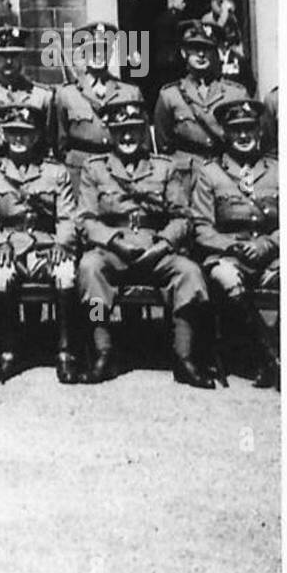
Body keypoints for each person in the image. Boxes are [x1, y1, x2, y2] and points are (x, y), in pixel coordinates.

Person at [76, 102, 214, 388]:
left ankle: (183, 356)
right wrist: (114, 242)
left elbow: (182, 216)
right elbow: (86, 218)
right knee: (89, 268)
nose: (127, 138)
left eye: (134, 131)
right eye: (120, 132)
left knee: (189, 272)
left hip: (155, 248)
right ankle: (103, 349)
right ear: (110, 135)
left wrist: (163, 245)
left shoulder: (164, 167)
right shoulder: (95, 168)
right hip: (113, 250)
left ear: (144, 133)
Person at [0, 105, 83, 384]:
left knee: (66, 273)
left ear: (36, 136)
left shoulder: (54, 171)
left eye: (25, 134)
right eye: (12, 133)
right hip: (9, 247)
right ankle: (7, 352)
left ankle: (66, 352)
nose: (18, 139)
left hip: (47, 246)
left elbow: (68, 215)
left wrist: (63, 243)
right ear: (3, 135)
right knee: (0, 277)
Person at [190, 99, 279, 388]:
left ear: (260, 132)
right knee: (225, 276)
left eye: (249, 129)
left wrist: (268, 244)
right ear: (225, 134)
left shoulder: (279, 170)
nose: (243, 136)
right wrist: (231, 247)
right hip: (230, 255)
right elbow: (201, 226)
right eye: (236, 130)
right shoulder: (210, 173)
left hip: (272, 253)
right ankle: (268, 357)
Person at [153, 19, 249, 188]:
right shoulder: (170, 95)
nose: (201, 54)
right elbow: (164, 146)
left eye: (207, 49)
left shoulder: (235, 94)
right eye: (195, 49)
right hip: (186, 179)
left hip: (224, 175)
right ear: (184, 53)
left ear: (215, 53)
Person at [54, 21, 144, 191]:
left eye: (103, 49)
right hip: (79, 173)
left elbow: (142, 139)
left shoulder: (130, 93)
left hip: (118, 169)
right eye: (92, 50)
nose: (97, 55)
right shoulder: (66, 94)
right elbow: (59, 142)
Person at [0, 24, 54, 168]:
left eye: (14, 56)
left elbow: (50, 142)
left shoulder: (42, 97)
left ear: (22, 57)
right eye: (2, 56)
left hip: (34, 173)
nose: (8, 62)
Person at [202, 0, 254, 94]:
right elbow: (215, 32)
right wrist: (224, 14)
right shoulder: (207, 19)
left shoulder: (231, 18)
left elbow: (250, 85)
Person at [148, 0, 188, 106]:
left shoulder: (160, 18)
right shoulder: (176, 18)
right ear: (174, 1)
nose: (184, 5)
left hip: (161, 58)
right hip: (172, 59)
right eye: (182, 2)